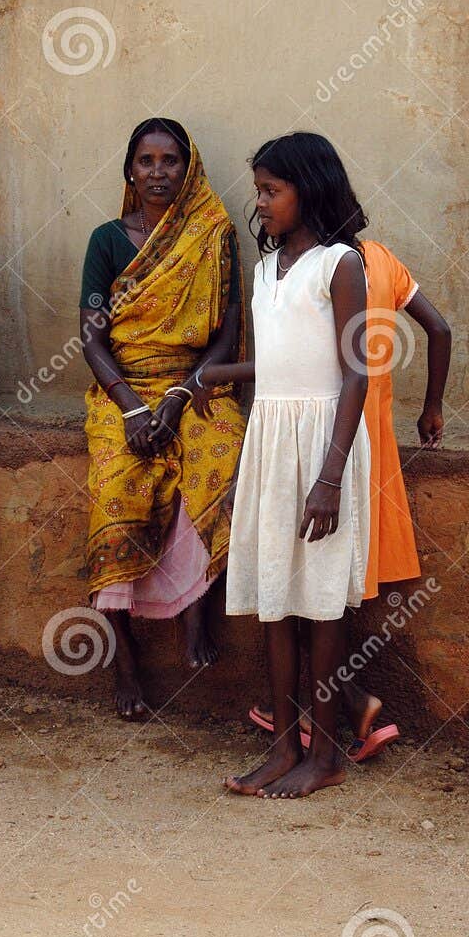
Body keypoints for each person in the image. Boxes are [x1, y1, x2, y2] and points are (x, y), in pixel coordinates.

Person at [195, 131, 370, 799]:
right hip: (270, 439)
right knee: (276, 596)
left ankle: (324, 752)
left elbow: (354, 373)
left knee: (320, 602)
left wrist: (329, 477)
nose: (260, 202)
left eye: (272, 190)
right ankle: (281, 746)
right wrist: (224, 376)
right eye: (259, 190)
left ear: (310, 189)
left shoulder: (340, 265)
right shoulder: (266, 270)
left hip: (324, 440)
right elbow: (276, 366)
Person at [248, 237, 452, 756]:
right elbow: (440, 328)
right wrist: (432, 407)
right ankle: (334, 707)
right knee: (326, 589)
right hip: (370, 441)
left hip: (327, 442)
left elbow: (308, 364)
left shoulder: (332, 265)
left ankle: (344, 705)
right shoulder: (383, 259)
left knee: (306, 588)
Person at [79, 117, 247, 720]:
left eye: (170, 161)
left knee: (222, 457)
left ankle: (196, 608)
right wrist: (132, 406)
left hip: (196, 382)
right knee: (115, 486)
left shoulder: (213, 236)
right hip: (122, 385)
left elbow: (227, 334)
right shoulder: (107, 239)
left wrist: (178, 398)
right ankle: (123, 658)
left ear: (189, 167)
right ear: (129, 170)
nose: (157, 172)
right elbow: (91, 337)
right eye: (145, 161)